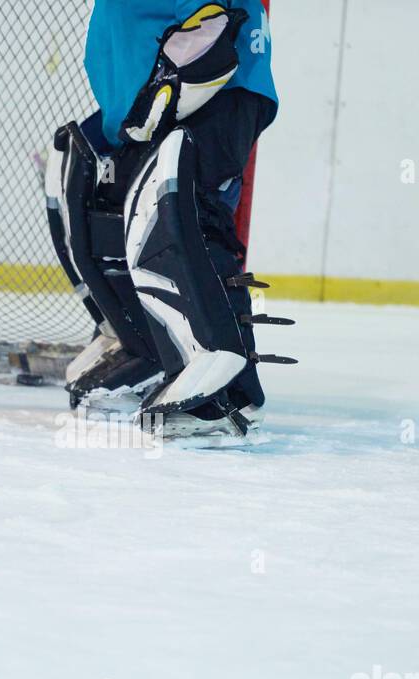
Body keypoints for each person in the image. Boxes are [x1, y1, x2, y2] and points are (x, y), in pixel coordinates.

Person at [44, 2, 292, 440]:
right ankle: (150, 350)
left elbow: (217, 16)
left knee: (184, 213)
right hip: (150, 95)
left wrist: (175, 78)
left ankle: (226, 389)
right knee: (104, 208)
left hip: (212, 86)